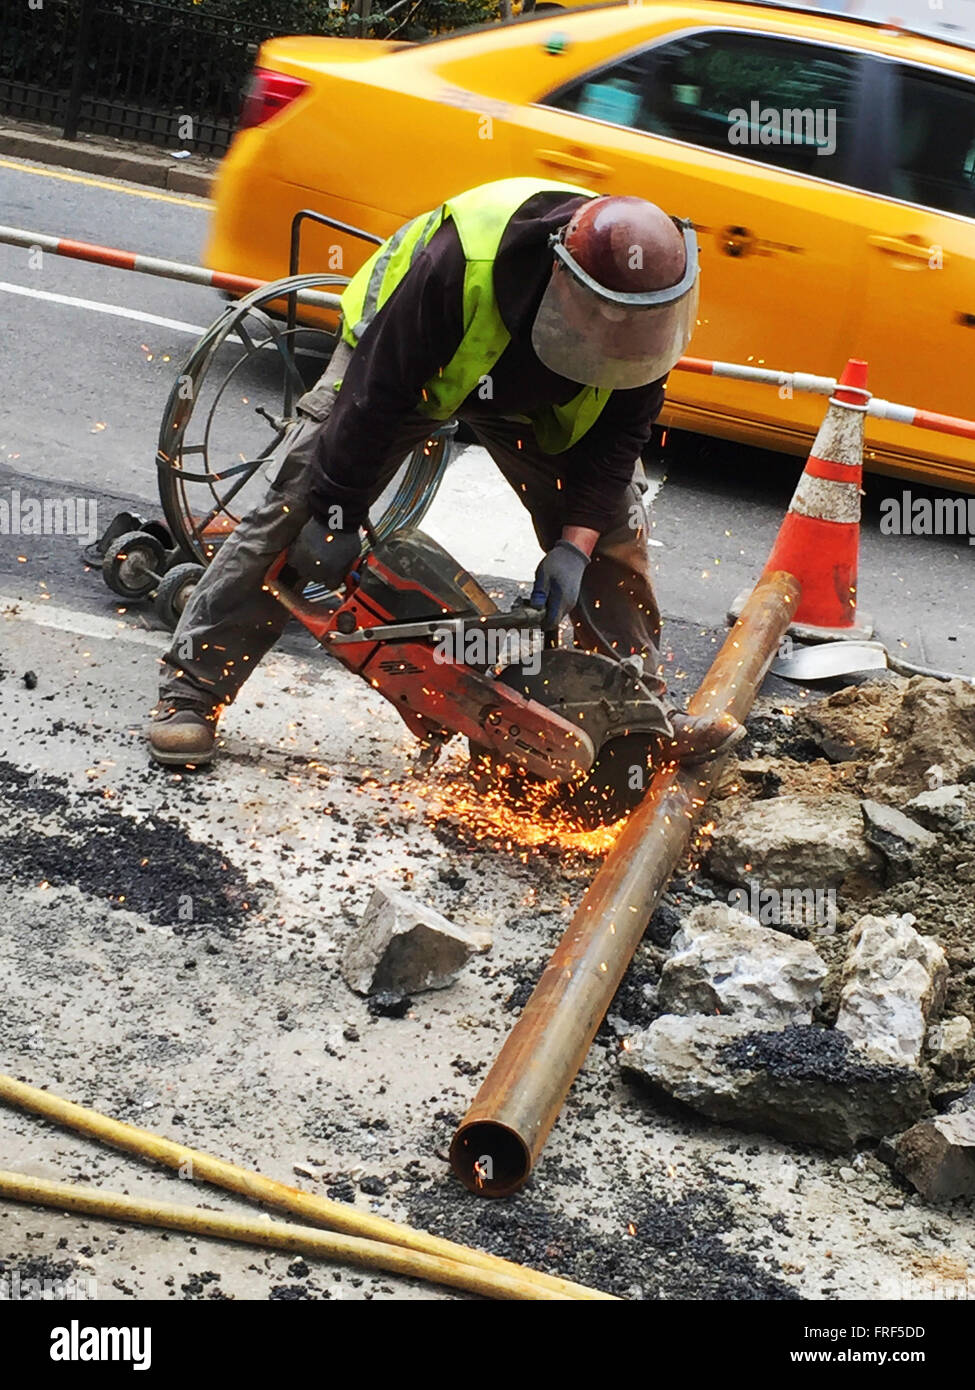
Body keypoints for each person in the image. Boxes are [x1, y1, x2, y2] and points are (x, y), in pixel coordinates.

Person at [149, 176, 742, 766]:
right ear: (563, 280)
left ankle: (640, 716)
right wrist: (337, 512)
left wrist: (577, 546)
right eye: (609, 324)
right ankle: (192, 691)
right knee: (297, 506)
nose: (626, 338)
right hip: (408, 367)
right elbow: (375, 396)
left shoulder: (648, 315)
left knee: (615, 530)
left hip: (536, 401)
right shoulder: (460, 264)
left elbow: (619, 441)